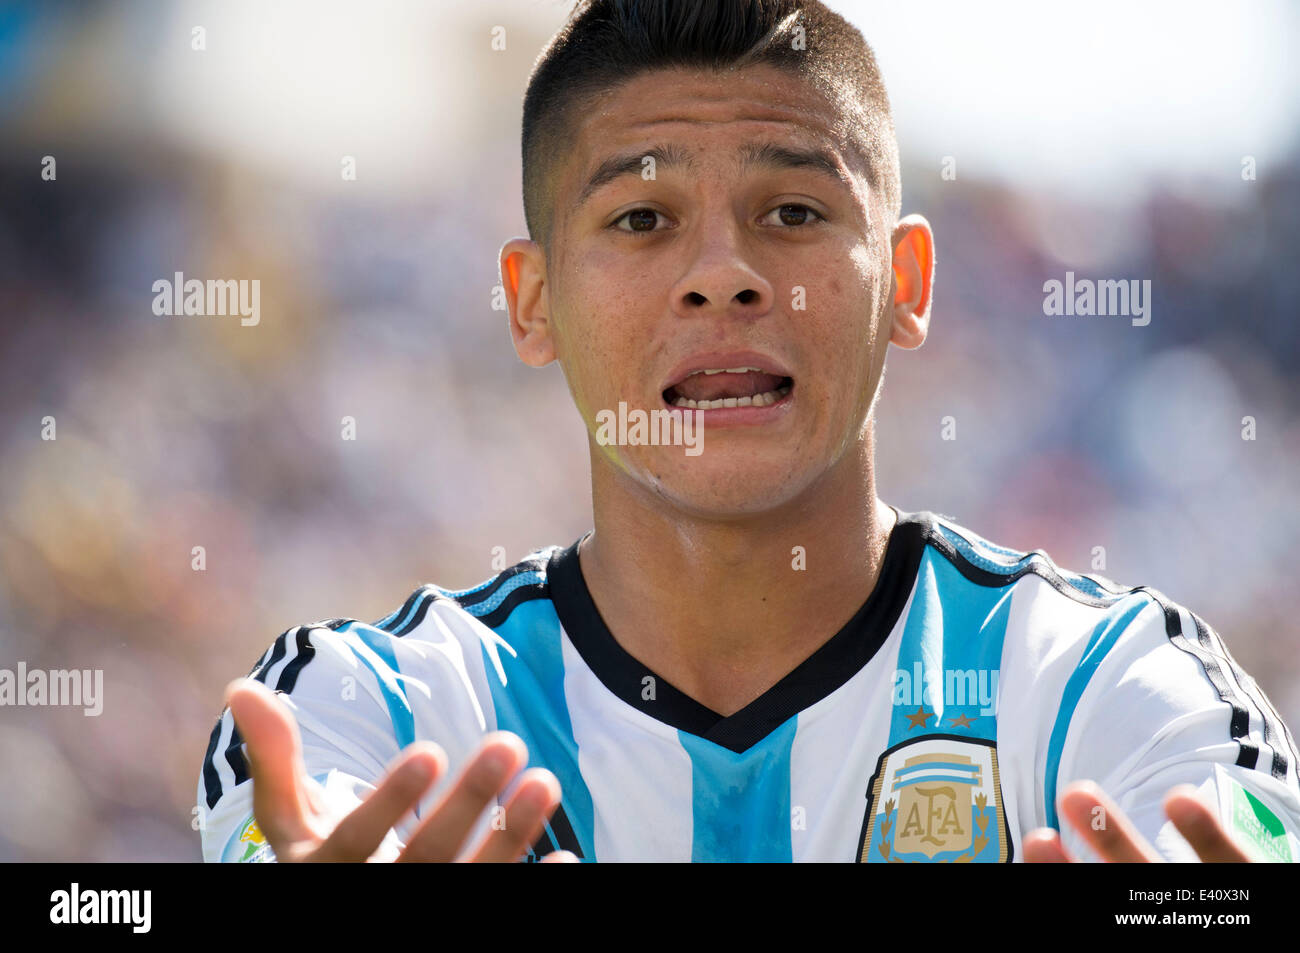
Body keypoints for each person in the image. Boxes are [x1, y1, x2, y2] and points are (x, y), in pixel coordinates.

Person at [197, 0, 1300, 863]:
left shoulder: (1105, 681)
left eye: (794, 213)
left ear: (907, 282)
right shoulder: (362, 705)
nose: (721, 276)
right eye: (640, 218)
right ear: (532, 302)